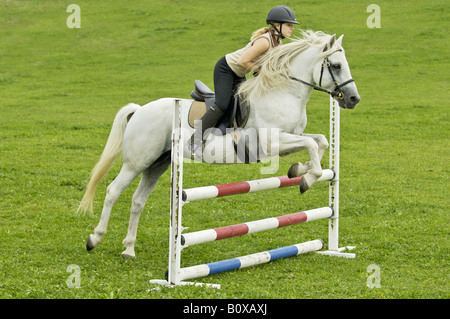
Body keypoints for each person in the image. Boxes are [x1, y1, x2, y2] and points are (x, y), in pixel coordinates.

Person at [189, 5, 300, 155]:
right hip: (226, 69)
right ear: (277, 25)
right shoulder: (265, 42)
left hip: (239, 73)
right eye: (289, 25)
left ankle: (235, 139)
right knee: (222, 104)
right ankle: (195, 139)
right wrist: (262, 71)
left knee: (245, 103)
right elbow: (242, 61)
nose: (292, 28)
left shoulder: (278, 43)